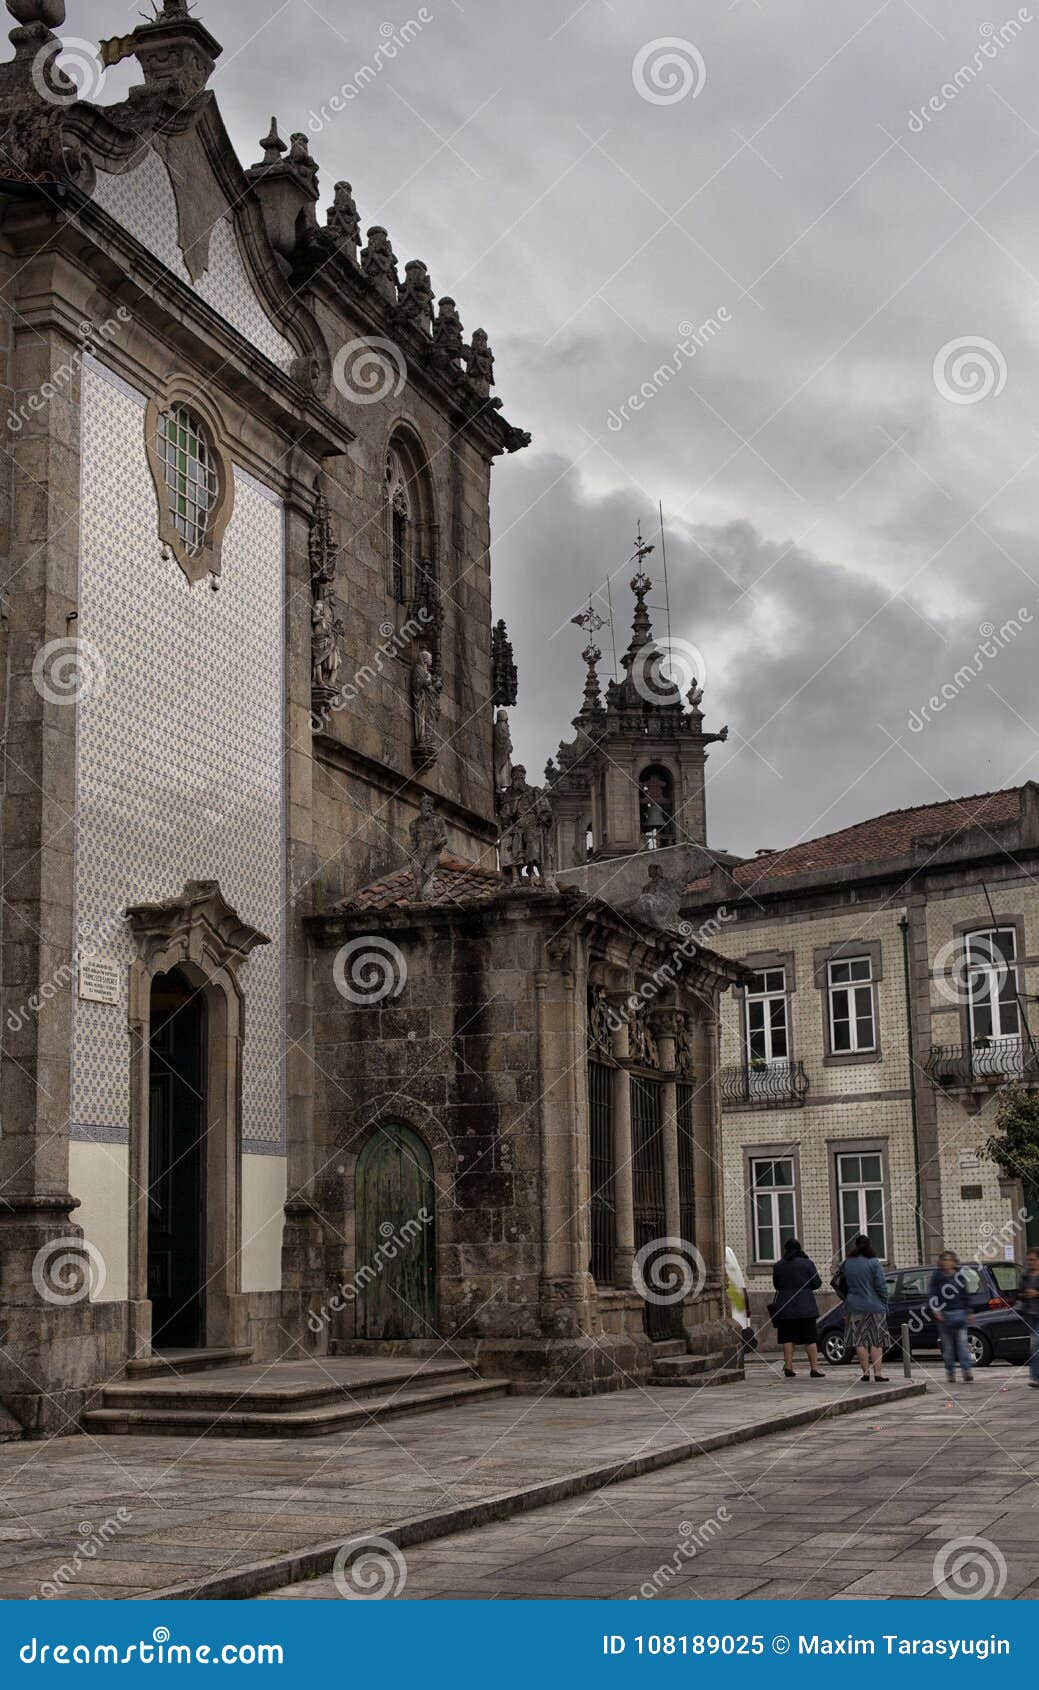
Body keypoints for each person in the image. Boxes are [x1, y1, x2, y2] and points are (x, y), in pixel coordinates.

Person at [840, 1234, 891, 1383]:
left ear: (855, 1246)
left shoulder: (847, 1263)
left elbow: (840, 1283)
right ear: (870, 1246)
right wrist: (884, 1302)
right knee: (876, 1341)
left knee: (859, 1341)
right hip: (874, 1305)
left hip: (854, 1306)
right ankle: (879, 1373)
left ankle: (866, 1373)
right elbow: (881, 1286)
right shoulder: (874, 1262)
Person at [771, 1239, 825, 1378]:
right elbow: (817, 1283)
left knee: (787, 1338)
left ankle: (788, 1367)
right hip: (805, 1306)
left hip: (785, 1307)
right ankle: (814, 1368)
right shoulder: (807, 1264)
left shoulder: (778, 1266)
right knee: (810, 1338)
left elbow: (777, 1286)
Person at [927, 1249, 975, 1385]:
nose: (946, 1262)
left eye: (949, 1260)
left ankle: (967, 1371)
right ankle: (950, 1373)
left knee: (963, 1345)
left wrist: (969, 1311)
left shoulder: (959, 1276)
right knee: (948, 1348)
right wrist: (935, 1310)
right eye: (944, 1260)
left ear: (954, 1262)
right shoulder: (937, 1276)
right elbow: (932, 1294)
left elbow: (965, 1295)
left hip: (960, 1314)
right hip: (944, 1316)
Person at [1018, 1246, 1039, 1389]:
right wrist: (1026, 1295)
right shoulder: (1025, 1276)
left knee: (1036, 1346)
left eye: (1033, 1260)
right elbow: (1019, 1294)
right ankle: (1035, 1376)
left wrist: (1037, 1294)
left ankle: (1035, 1377)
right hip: (1031, 1317)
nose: (1030, 1263)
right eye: (1028, 1260)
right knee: (1035, 1347)